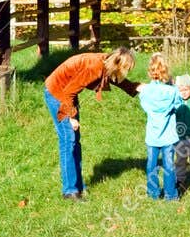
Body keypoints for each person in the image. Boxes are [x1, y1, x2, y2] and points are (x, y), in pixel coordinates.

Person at [43, 46, 138, 199]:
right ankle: (70, 191)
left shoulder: (107, 63)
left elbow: (115, 79)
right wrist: (71, 117)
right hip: (57, 93)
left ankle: (78, 185)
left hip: (67, 94)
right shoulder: (94, 67)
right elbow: (68, 92)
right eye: (126, 69)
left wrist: (135, 88)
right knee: (68, 141)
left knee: (75, 141)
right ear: (117, 64)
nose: (127, 72)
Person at [137, 53, 183, 201]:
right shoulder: (172, 91)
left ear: (150, 71)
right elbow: (179, 105)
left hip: (152, 136)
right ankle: (171, 195)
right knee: (169, 165)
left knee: (151, 165)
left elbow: (144, 105)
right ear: (166, 70)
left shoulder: (145, 91)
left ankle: (153, 193)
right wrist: (172, 85)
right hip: (168, 136)